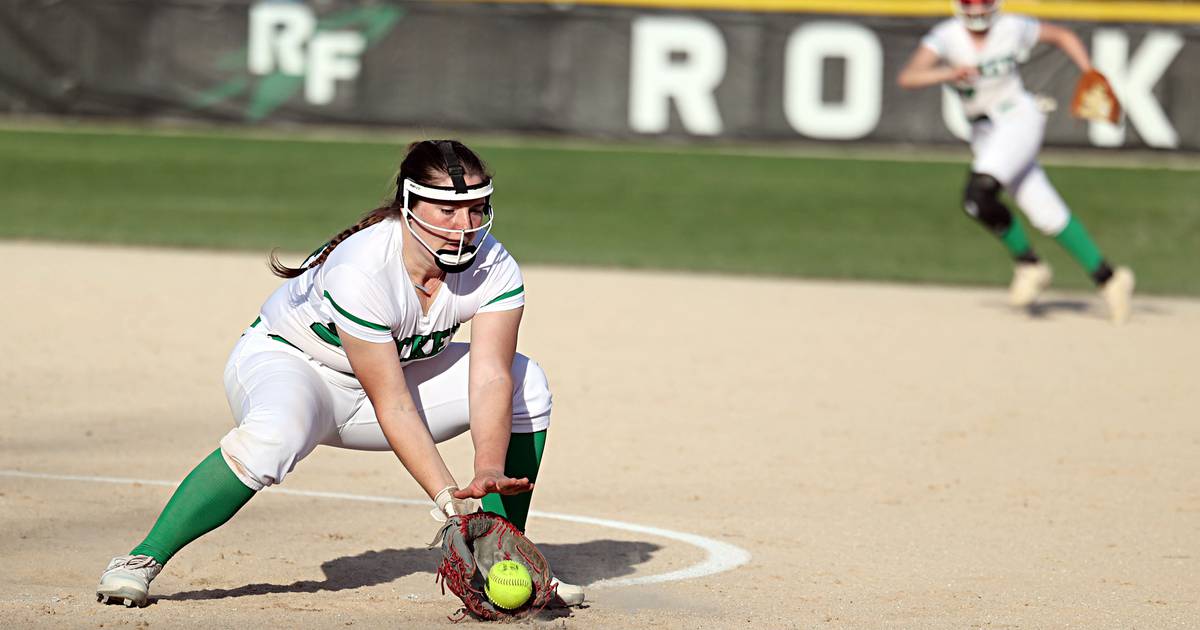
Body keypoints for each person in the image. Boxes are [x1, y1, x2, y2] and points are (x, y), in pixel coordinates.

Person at [96, 140, 584, 608]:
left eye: (476, 209)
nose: (466, 225)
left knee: (527, 381)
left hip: (393, 382)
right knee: (273, 437)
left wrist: (487, 470)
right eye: (448, 211)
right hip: (295, 368)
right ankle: (143, 557)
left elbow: (492, 377)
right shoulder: (362, 269)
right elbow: (391, 402)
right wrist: (449, 500)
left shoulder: (494, 265)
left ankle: (507, 560)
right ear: (410, 206)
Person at [897, 0, 1135, 323]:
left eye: (984, 2)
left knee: (978, 195)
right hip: (984, 132)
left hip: (1018, 118)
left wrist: (1088, 71)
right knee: (1046, 212)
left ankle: (1029, 264)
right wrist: (948, 72)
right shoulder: (948, 36)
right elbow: (909, 76)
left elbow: (1063, 36)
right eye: (972, 2)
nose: (978, 9)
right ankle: (1109, 279)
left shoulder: (1012, 27)